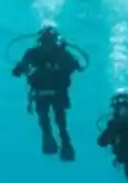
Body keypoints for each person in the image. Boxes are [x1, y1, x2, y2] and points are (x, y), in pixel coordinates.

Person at [11, 24, 83, 160]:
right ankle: (65, 144)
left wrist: (19, 70)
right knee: (60, 122)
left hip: (41, 93)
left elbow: (19, 69)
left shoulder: (33, 52)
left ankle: (54, 142)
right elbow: (77, 66)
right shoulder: (61, 52)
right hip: (57, 93)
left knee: (45, 121)